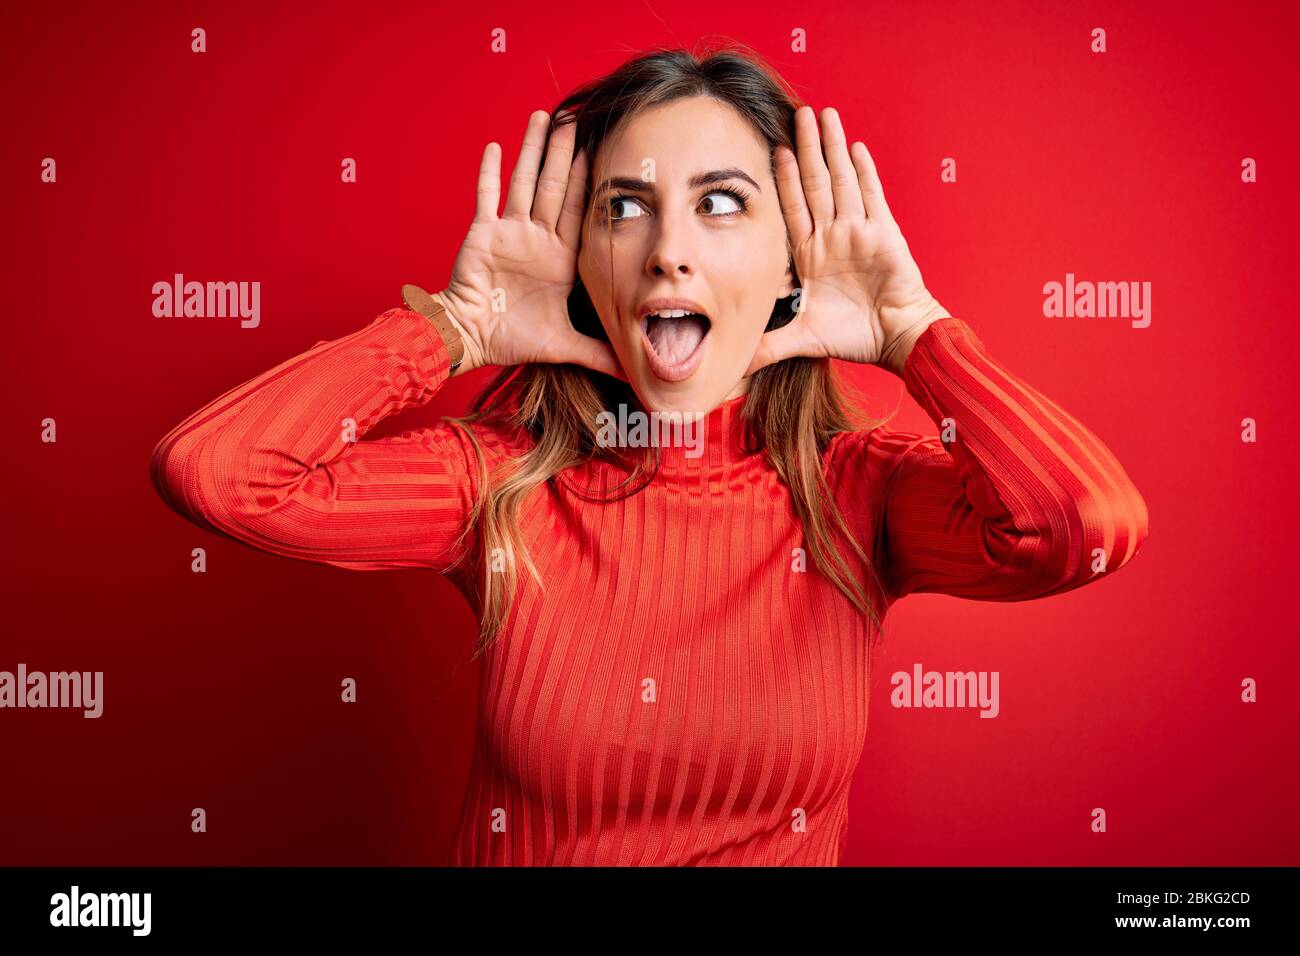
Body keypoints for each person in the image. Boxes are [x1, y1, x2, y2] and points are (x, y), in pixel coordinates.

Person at [150, 46, 1149, 866]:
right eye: (622, 206)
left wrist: (913, 331)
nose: (667, 246)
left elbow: (1080, 525)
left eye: (720, 202)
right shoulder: (503, 482)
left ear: (790, 256)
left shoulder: (861, 489)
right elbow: (218, 470)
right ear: (583, 263)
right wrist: (451, 328)